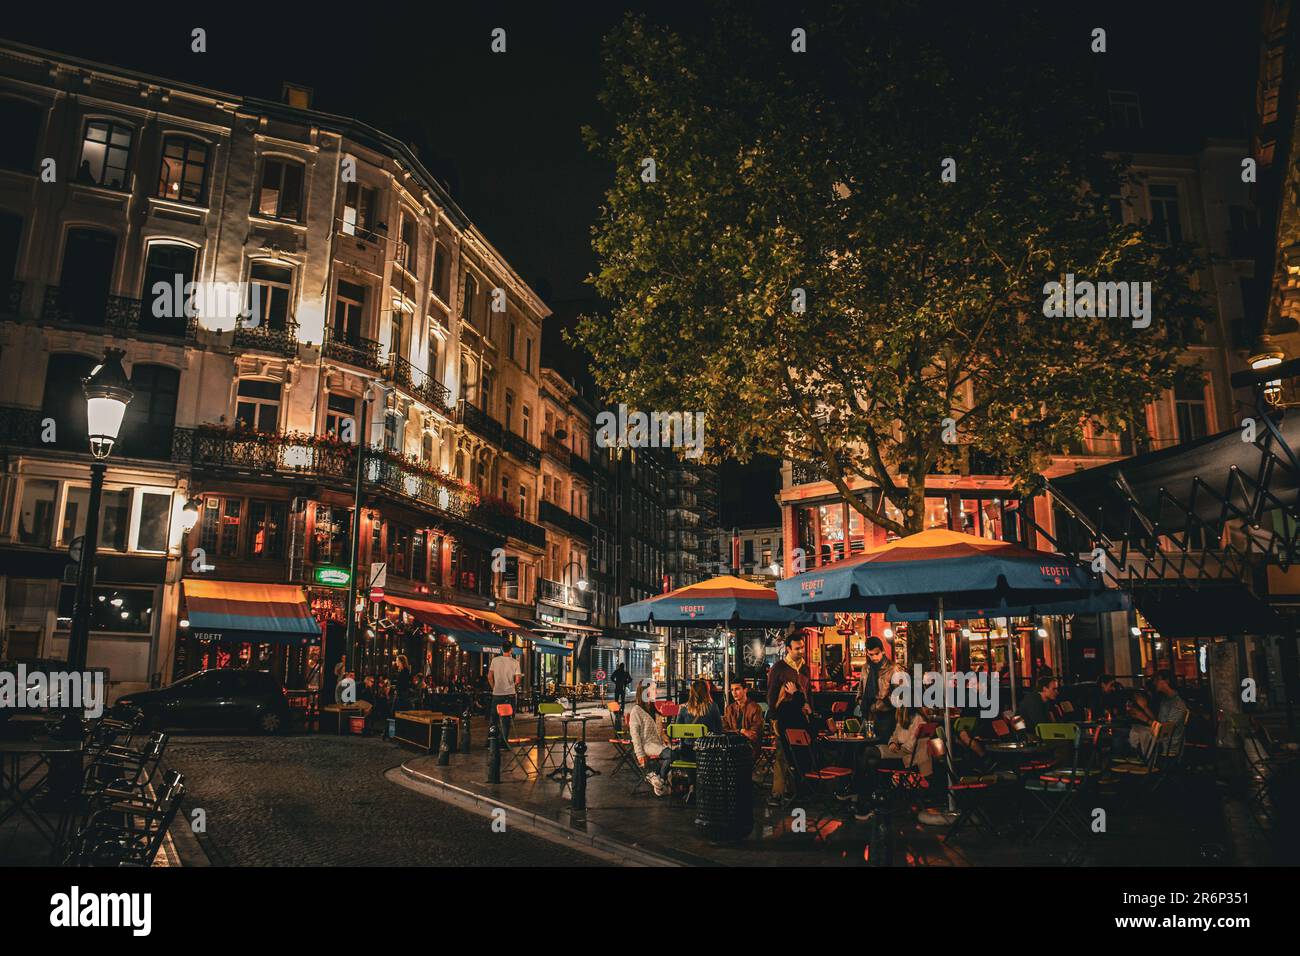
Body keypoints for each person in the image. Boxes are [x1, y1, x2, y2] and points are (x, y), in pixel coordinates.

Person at [852, 704, 934, 818]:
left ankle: (859, 792)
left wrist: (896, 747)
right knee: (870, 761)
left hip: (908, 758)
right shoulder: (904, 718)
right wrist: (892, 743)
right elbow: (894, 734)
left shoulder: (919, 719)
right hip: (899, 752)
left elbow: (910, 747)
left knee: (867, 752)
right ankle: (867, 799)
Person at [766, 632, 812, 806]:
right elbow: (770, 695)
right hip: (783, 717)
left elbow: (809, 692)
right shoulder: (779, 668)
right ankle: (777, 793)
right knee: (782, 754)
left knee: (799, 754)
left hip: (801, 717)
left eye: (802, 647)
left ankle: (797, 790)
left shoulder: (804, 668)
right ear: (788, 649)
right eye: (797, 648)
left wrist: (809, 707)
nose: (801, 651)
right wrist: (774, 717)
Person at [1125, 670, 1188, 759]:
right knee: (1130, 733)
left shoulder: (1177, 704)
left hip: (1166, 747)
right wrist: (1144, 708)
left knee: (1125, 742)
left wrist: (1144, 718)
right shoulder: (1165, 699)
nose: (1155, 683)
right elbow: (1158, 721)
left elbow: (1165, 730)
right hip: (1159, 742)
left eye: (1157, 679)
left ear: (1166, 681)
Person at [627, 680, 673, 797]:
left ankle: (656, 777)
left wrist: (666, 738)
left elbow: (659, 732)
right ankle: (660, 780)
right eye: (653, 689)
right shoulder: (636, 711)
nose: (656, 692)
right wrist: (640, 755)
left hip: (658, 744)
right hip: (647, 745)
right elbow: (635, 736)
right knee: (671, 755)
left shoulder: (653, 709)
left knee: (678, 753)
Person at [856, 636, 904, 740]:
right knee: (861, 747)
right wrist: (860, 701)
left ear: (882, 651)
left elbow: (900, 695)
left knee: (880, 746)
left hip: (886, 717)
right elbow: (860, 689)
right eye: (871, 654)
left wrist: (884, 702)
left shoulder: (892, 668)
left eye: (876, 654)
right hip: (868, 715)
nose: (874, 657)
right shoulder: (865, 668)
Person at [488, 642, 522, 740]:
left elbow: (489, 677)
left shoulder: (495, 660)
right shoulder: (515, 662)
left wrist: (494, 687)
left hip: (497, 693)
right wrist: (512, 686)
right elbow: (518, 680)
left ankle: (491, 740)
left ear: (502, 649)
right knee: (507, 719)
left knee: (494, 718)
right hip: (510, 694)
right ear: (511, 649)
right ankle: (503, 741)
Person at [723, 680, 763, 757]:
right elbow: (724, 729)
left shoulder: (755, 708)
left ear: (745, 690)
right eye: (732, 690)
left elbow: (754, 734)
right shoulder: (729, 708)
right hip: (731, 747)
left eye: (737, 689)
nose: (734, 693)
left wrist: (735, 732)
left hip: (749, 748)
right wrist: (742, 731)